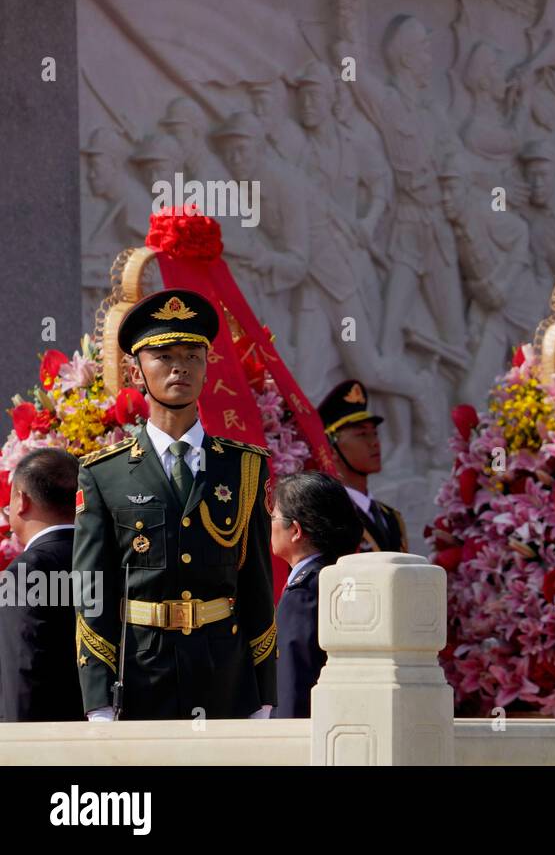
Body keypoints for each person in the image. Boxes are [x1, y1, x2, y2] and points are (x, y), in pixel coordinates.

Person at [73, 288, 277, 721]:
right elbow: (93, 592)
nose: (180, 366)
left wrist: (264, 693)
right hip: (142, 677)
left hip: (226, 678)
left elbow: (258, 585)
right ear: (135, 372)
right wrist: (98, 702)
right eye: (164, 356)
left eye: (192, 355)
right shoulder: (104, 474)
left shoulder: (245, 467)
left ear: (207, 367)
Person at [269, 471, 362, 719]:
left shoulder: (303, 593)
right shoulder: (344, 578)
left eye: (274, 516)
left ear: (296, 530)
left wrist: (285, 744)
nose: (270, 524)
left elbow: (295, 682)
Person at [0, 448, 83, 722]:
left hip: (43, 743)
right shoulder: (111, 561)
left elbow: (21, 669)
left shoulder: (26, 572)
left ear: (21, 500)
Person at [316, 380, 407, 553]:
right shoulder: (328, 516)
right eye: (362, 434)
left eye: (375, 433)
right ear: (332, 449)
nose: (374, 443)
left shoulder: (391, 517)